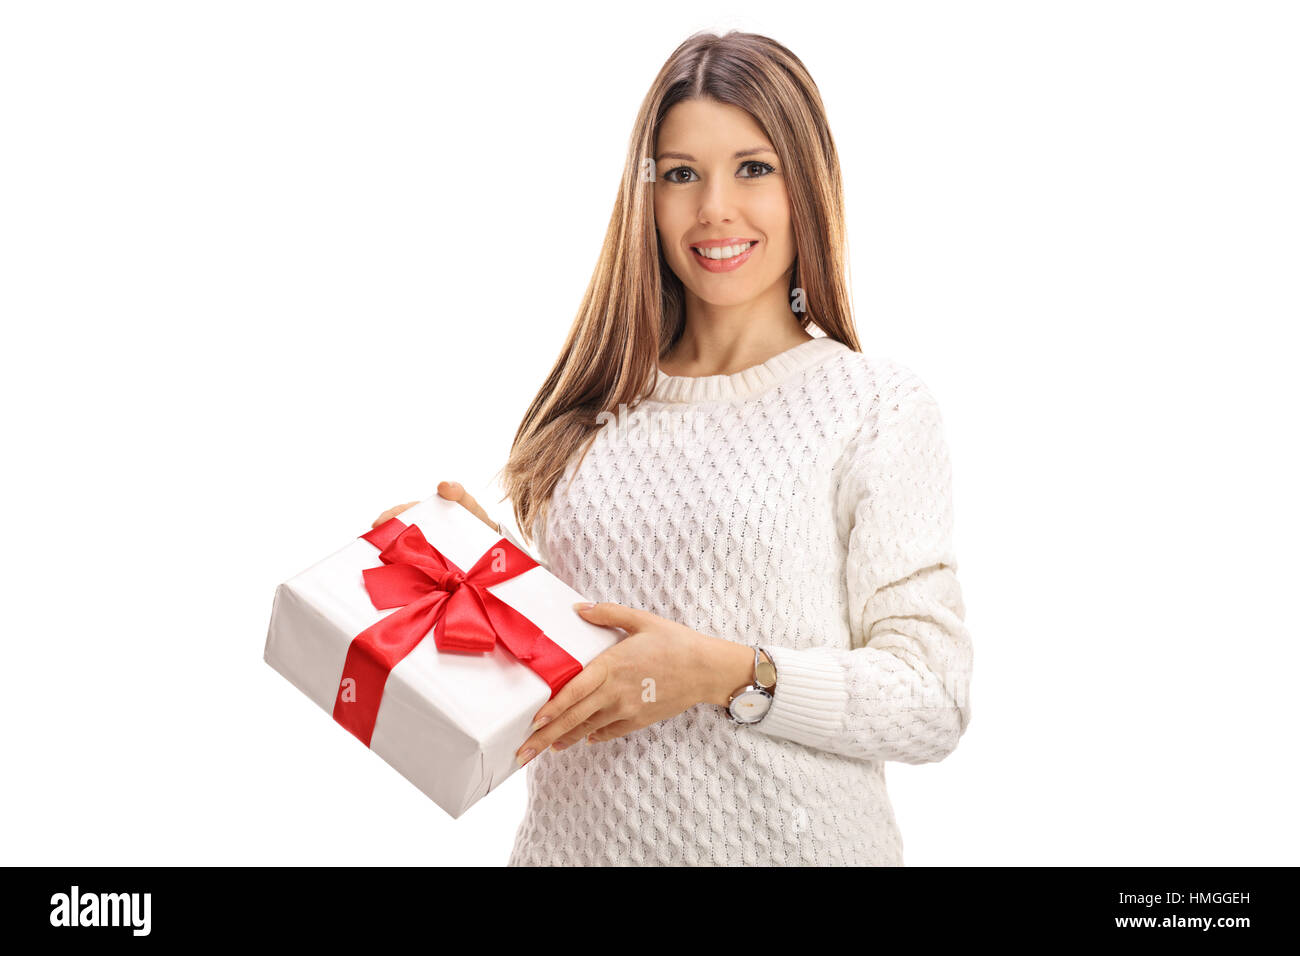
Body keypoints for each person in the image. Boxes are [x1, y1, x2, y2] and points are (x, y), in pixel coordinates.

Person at [374, 30, 972, 866]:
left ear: (808, 182)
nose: (714, 208)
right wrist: (478, 572)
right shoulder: (589, 410)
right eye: (681, 174)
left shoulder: (874, 408)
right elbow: (572, 666)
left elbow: (931, 697)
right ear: (645, 196)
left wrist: (726, 674)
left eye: (753, 168)